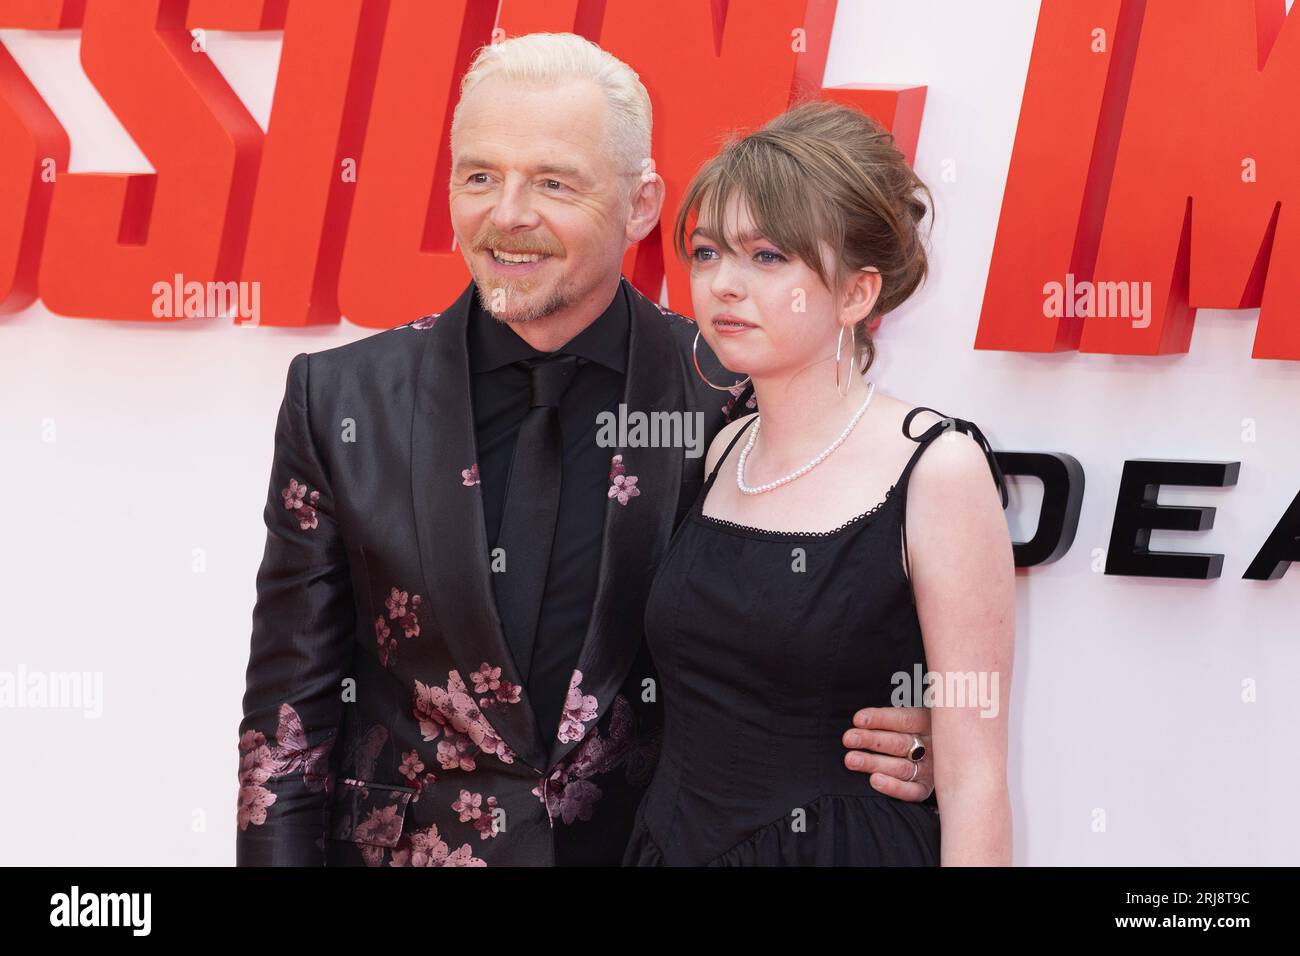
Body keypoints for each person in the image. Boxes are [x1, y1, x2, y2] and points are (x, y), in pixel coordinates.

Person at [236, 33, 941, 868]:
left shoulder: (731, 394)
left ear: (642, 204)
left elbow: (821, 620)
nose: (507, 215)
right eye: (480, 175)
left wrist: (920, 719)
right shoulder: (342, 400)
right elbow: (286, 723)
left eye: (554, 182)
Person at [623, 100, 1016, 866]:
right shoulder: (717, 447)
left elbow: (975, 783)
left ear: (857, 295)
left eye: (768, 257)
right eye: (707, 253)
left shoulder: (938, 468)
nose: (724, 286)